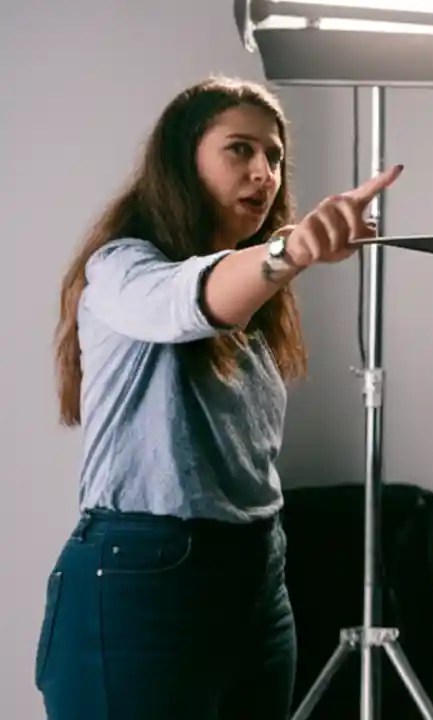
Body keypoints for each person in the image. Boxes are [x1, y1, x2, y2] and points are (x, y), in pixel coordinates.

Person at [38, 75, 403, 719]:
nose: (264, 173)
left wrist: (282, 257)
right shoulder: (120, 268)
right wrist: (292, 247)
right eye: (240, 149)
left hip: (256, 576)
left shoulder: (255, 300)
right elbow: (189, 300)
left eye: (274, 157)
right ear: (183, 160)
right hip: (140, 579)